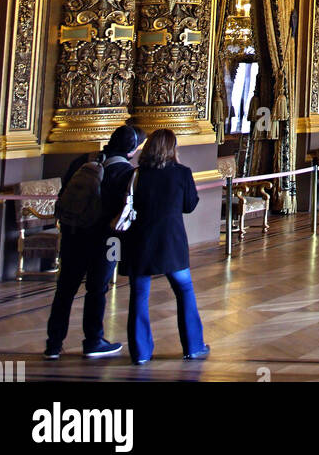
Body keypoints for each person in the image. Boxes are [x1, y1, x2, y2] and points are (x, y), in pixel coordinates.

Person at [45, 123, 145, 359]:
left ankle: (53, 344)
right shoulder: (127, 172)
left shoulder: (83, 161)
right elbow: (126, 210)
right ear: (132, 150)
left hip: (73, 234)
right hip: (109, 240)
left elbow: (64, 195)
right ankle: (93, 340)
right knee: (97, 289)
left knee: (65, 290)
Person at [120, 129, 208, 365]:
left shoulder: (137, 174)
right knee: (184, 291)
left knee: (139, 296)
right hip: (170, 242)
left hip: (139, 242)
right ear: (173, 148)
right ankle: (193, 346)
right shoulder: (181, 173)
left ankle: (140, 353)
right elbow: (189, 205)